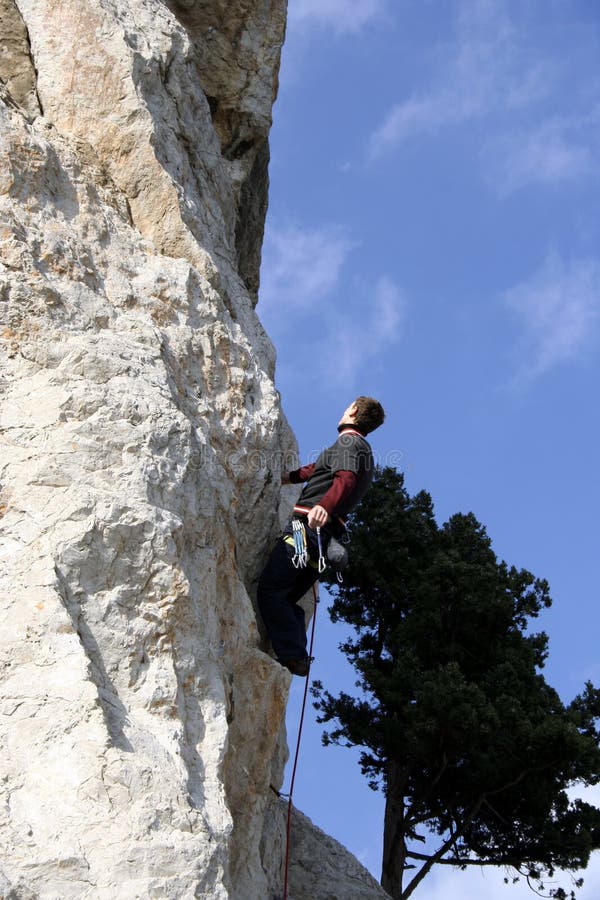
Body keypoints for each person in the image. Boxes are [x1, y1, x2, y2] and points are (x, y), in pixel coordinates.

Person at [257, 396, 385, 676]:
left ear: (353, 411)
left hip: (307, 530)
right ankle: (297, 655)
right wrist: (285, 478)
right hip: (323, 542)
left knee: (271, 590)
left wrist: (322, 508)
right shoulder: (358, 450)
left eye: (346, 405)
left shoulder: (350, 443)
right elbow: (316, 470)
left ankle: (293, 656)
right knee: (287, 597)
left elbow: (345, 478)